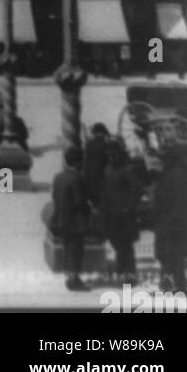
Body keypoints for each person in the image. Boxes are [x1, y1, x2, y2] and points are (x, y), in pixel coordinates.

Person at [152, 144, 187, 291]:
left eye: (164, 159)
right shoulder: (173, 173)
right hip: (169, 220)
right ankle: (170, 284)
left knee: (173, 255)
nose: (162, 162)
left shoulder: (175, 174)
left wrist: (171, 219)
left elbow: (179, 200)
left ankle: (177, 286)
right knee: (169, 254)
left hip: (172, 222)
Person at [51, 146, 92, 291]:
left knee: (68, 249)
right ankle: (74, 281)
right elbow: (80, 202)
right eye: (81, 161)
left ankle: (70, 277)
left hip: (61, 220)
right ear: (76, 162)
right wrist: (89, 209)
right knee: (76, 251)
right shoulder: (76, 179)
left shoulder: (58, 177)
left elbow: (55, 197)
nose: (82, 163)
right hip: (75, 222)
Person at [101, 141, 141, 282]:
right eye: (109, 154)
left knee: (126, 244)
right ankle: (121, 266)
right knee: (116, 241)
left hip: (124, 215)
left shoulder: (128, 169)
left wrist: (128, 208)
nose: (111, 157)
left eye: (113, 154)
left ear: (119, 154)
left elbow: (136, 191)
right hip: (111, 213)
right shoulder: (108, 169)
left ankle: (130, 274)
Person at [83, 123, 110, 206]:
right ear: (102, 133)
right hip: (101, 176)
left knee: (94, 200)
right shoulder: (106, 145)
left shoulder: (88, 145)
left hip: (89, 176)